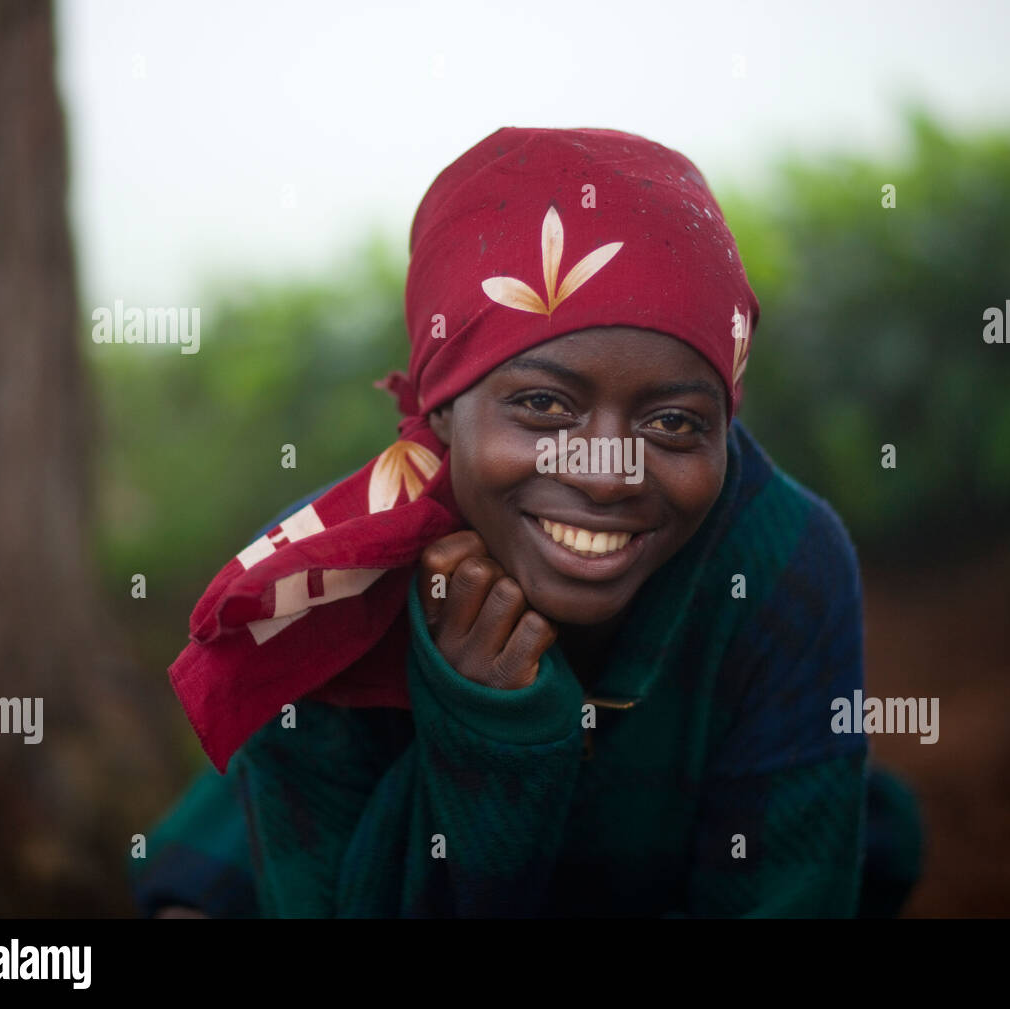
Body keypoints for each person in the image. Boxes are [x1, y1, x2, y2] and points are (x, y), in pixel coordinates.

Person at [131, 126, 922, 918]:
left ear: (725, 426)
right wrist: (490, 747)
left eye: (674, 422)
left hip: (669, 837)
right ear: (441, 407)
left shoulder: (785, 562)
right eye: (544, 406)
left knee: (860, 839)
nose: (608, 473)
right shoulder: (316, 588)